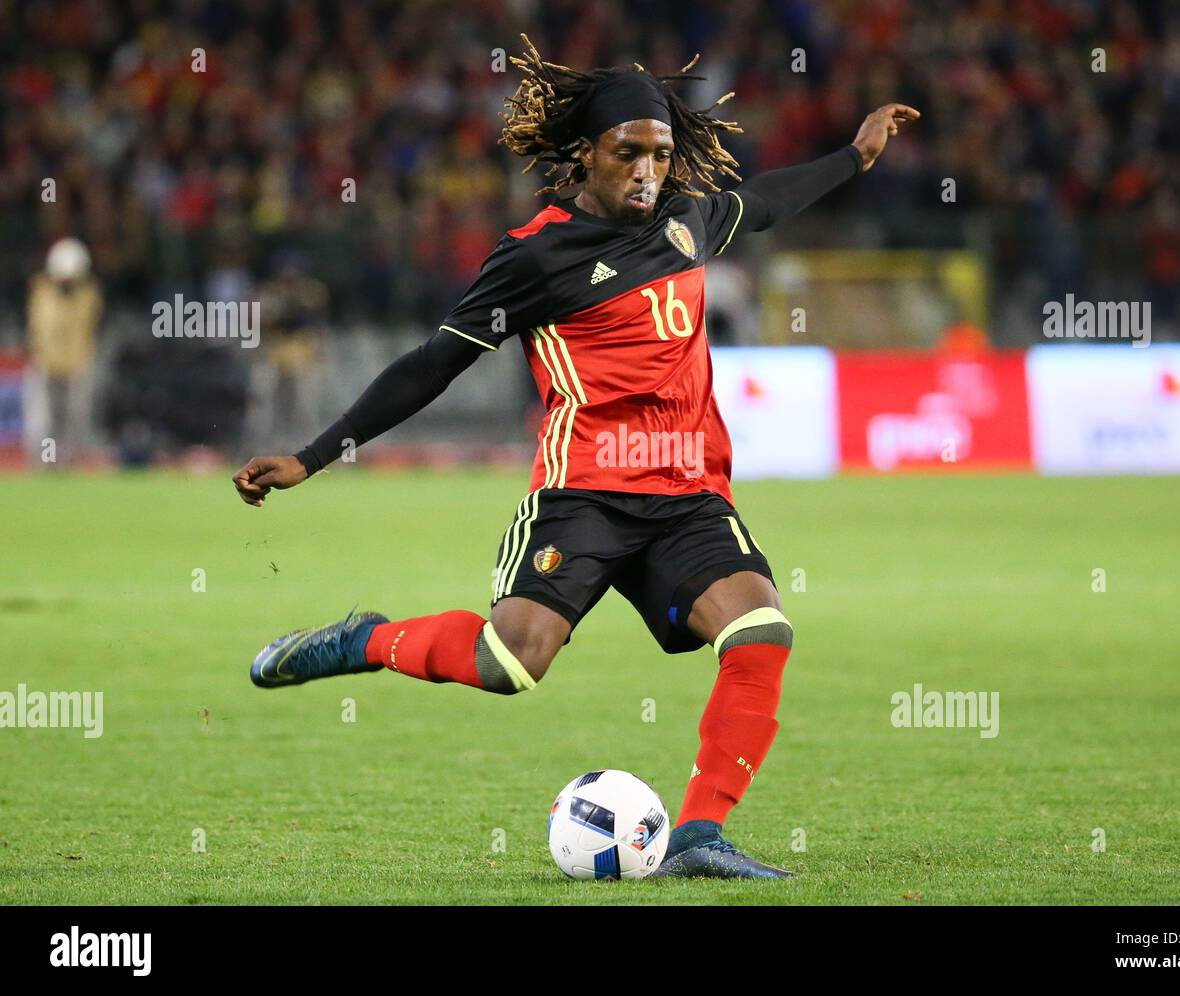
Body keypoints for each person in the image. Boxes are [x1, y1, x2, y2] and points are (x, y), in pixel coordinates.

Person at [232, 36, 918, 879]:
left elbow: (767, 200)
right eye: (628, 152)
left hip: (688, 494)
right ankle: (364, 641)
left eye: (660, 154)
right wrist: (311, 457)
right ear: (587, 154)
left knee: (761, 629)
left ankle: (700, 836)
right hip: (582, 493)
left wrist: (855, 155)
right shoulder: (537, 255)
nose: (646, 170)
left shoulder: (690, 222)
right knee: (509, 661)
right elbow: (431, 365)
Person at [25, 237, 103, 465]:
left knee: (74, 419)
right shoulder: (42, 291)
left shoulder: (88, 295)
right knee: (43, 420)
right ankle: (42, 464)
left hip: (77, 365)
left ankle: (68, 463)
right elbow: (42, 328)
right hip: (46, 365)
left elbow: (87, 328)